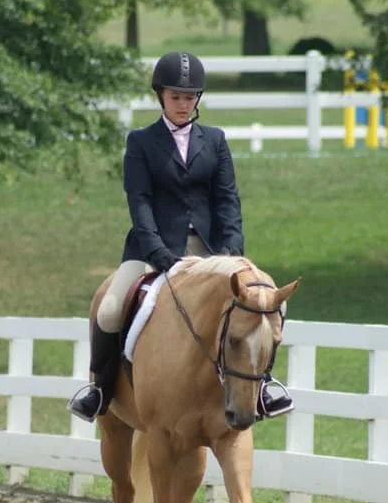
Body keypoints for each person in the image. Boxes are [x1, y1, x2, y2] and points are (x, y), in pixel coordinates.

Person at [67, 51, 294, 423]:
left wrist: (232, 254)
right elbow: (139, 202)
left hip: (210, 252)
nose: (183, 105)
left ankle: (264, 385)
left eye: (190, 98)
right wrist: (157, 251)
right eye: (176, 97)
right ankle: (100, 390)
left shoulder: (216, 141)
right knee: (109, 310)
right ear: (160, 96)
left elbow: (227, 201)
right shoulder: (141, 142)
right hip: (151, 248)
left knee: (273, 305)